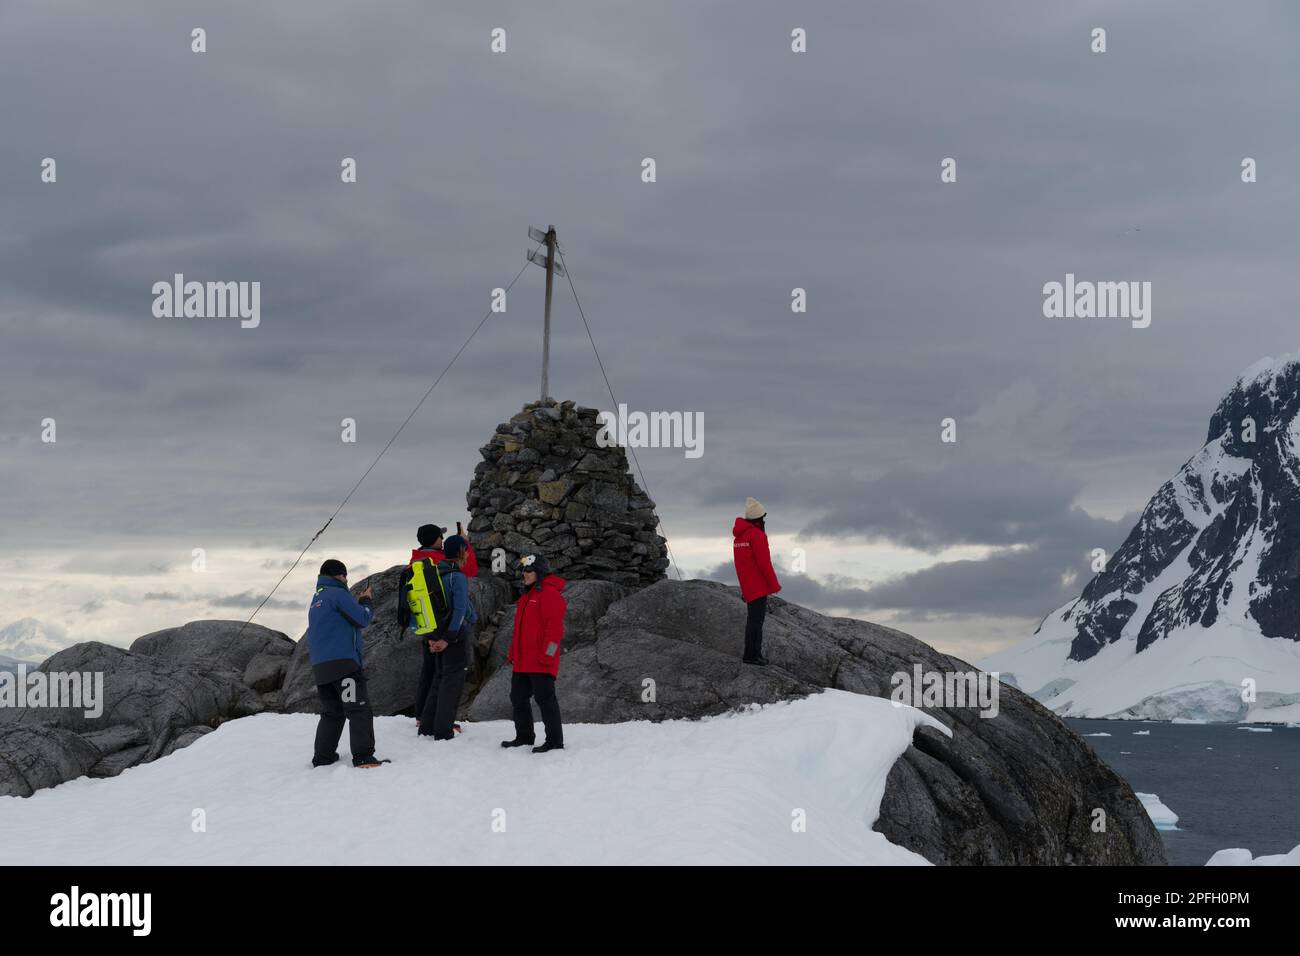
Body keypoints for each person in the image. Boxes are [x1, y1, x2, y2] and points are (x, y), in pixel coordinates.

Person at [307, 558, 389, 768]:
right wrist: (366, 602)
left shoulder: (317, 599)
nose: (346, 579)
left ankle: (323, 757)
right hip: (344, 667)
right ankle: (363, 757)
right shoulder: (338, 594)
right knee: (358, 708)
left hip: (322, 669)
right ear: (338, 575)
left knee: (332, 712)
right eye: (344, 575)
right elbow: (362, 619)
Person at [501, 553, 567, 753]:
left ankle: (555, 741)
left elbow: (555, 631)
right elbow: (519, 630)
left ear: (540, 572)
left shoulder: (549, 594)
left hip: (540, 661)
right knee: (517, 698)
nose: (525, 574)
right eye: (523, 571)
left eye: (529, 571)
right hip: (522, 661)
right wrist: (513, 652)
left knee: (546, 701)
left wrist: (548, 655)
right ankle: (524, 736)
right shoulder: (527, 596)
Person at [416, 534, 477, 740]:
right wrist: (449, 638)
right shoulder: (456, 576)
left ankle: (427, 726)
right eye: (465, 550)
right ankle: (443, 730)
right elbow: (459, 609)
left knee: (439, 679)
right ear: (460, 552)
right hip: (453, 636)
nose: (467, 554)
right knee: (452, 682)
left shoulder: (435, 574)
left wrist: (432, 638)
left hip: (435, 633)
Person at [732, 497, 781, 665]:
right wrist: (774, 585)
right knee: (756, 622)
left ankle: (750, 654)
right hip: (758, 585)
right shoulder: (757, 535)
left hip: (747, 584)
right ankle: (753, 655)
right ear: (759, 519)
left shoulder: (739, 537)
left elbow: (741, 564)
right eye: (763, 518)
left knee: (752, 620)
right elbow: (764, 563)